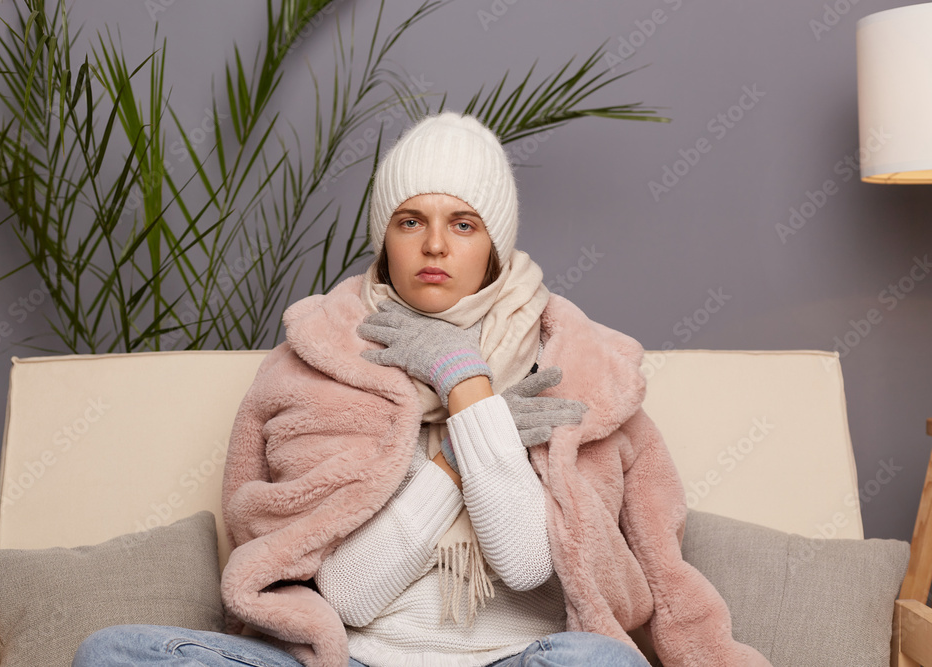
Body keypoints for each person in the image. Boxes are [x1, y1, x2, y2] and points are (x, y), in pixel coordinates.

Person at [73, 113, 770, 667]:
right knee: (112, 654)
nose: (435, 244)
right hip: (358, 658)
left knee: (600, 663)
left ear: (492, 244)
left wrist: (466, 389)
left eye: (462, 224)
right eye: (412, 221)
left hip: (518, 659)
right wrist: (473, 442)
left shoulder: (582, 369)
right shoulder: (315, 364)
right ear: (386, 240)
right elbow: (347, 593)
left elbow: (529, 562)